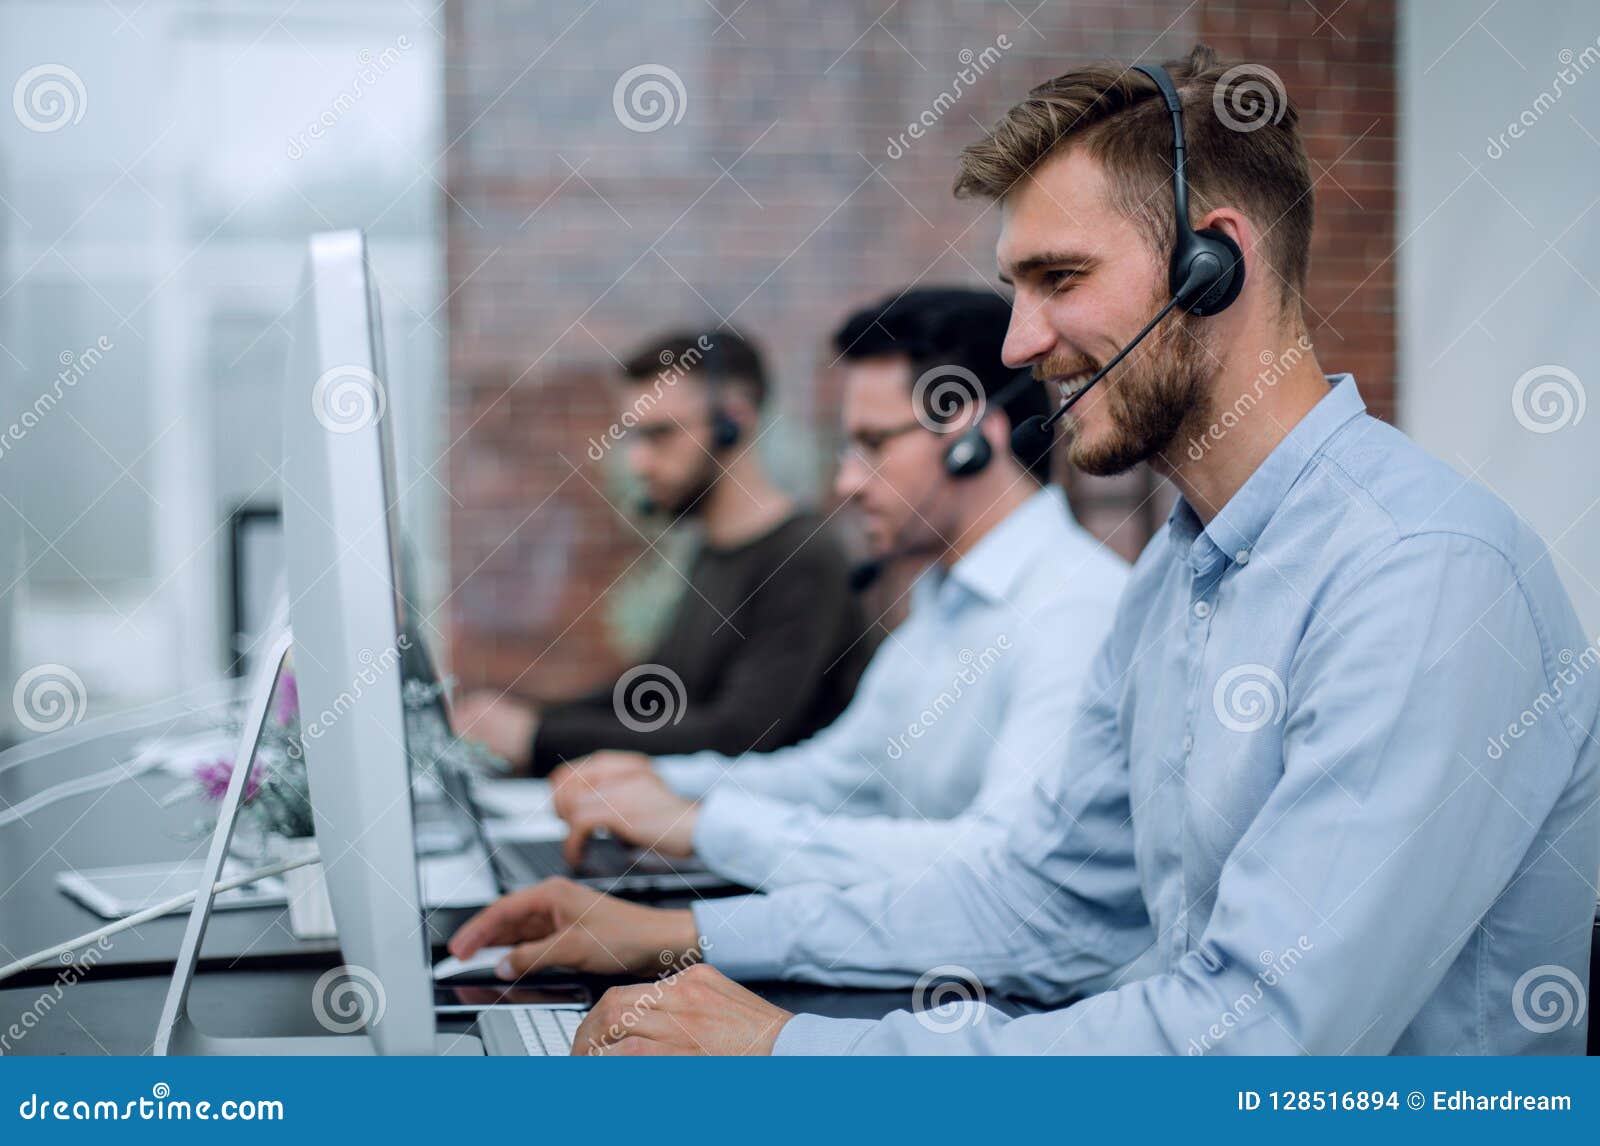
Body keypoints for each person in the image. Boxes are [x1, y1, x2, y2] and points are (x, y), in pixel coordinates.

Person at [448, 45, 1600, 1056]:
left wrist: (792, 1056)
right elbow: (1046, 902)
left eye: (1060, 280)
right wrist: (686, 933)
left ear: (1216, 266)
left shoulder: (1422, 576)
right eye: (1013, 287)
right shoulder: (1178, 577)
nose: (1019, 341)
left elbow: (1259, 1042)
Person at [543, 288, 1129, 887]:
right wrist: (657, 783)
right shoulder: (940, 609)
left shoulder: (1072, 611)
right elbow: (837, 779)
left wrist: (703, 829)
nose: (847, 481)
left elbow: (1003, 868)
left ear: (973, 441)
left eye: (873, 445)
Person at [454, 330, 870, 777]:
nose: (638, 463)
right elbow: (657, 688)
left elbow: (739, 736)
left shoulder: (804, 559)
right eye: (634, 437)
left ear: (734, 422)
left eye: (660, 435)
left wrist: (538, 738)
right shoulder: (712, 550)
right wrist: (527, 721)